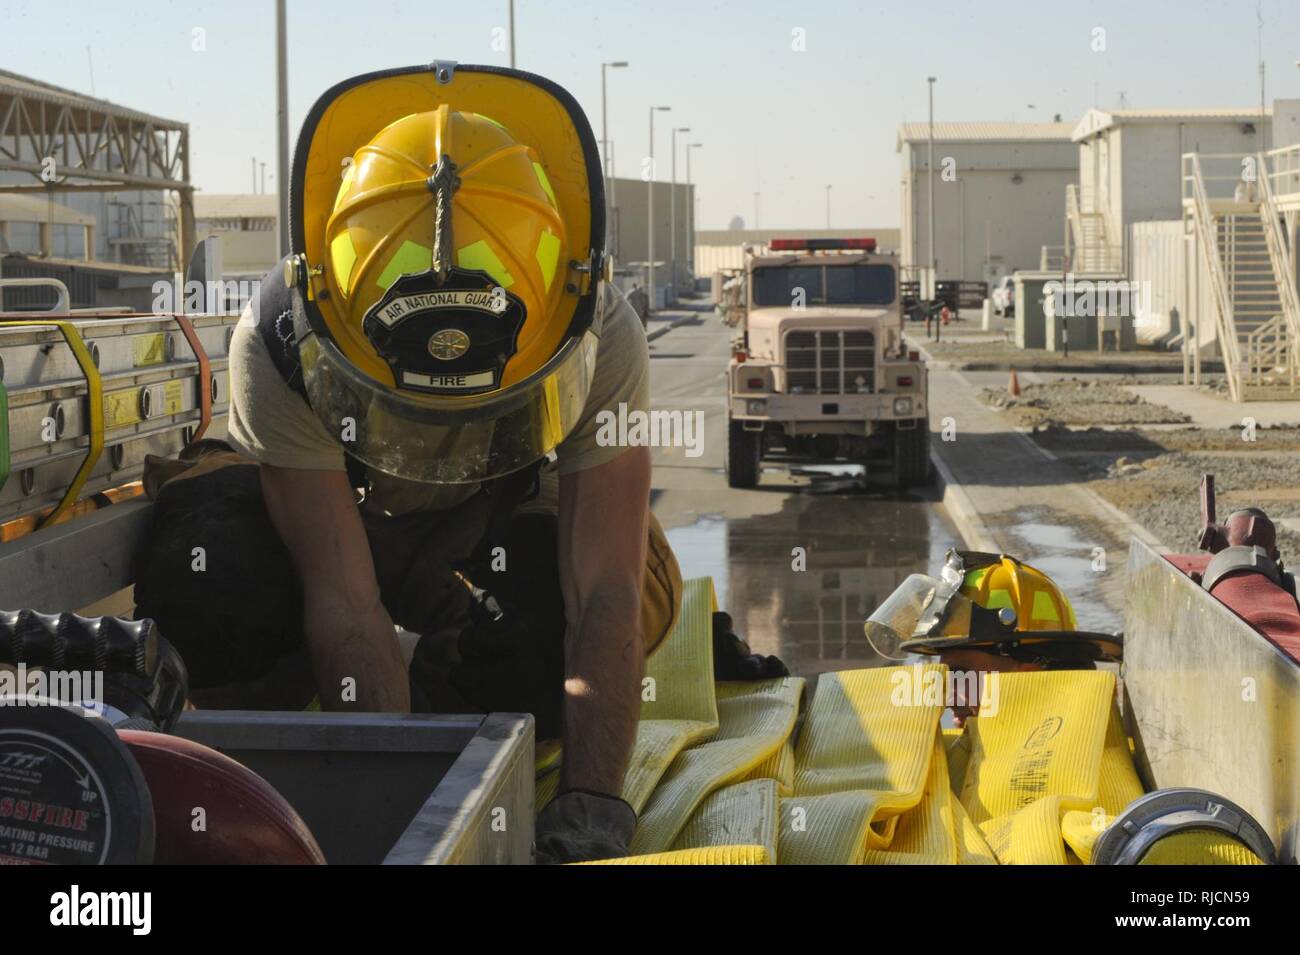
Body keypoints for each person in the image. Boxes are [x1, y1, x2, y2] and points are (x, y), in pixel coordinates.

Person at [134, 63, 681, 864]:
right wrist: (399, 821)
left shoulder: (603, 335)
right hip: (338, 517)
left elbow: (604, 587)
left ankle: (466, 705)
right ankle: (260, 769)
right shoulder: (280, 340)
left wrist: (594, 806)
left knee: (533, 632)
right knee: (209, 582)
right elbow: (347, 598)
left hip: (487, 532)